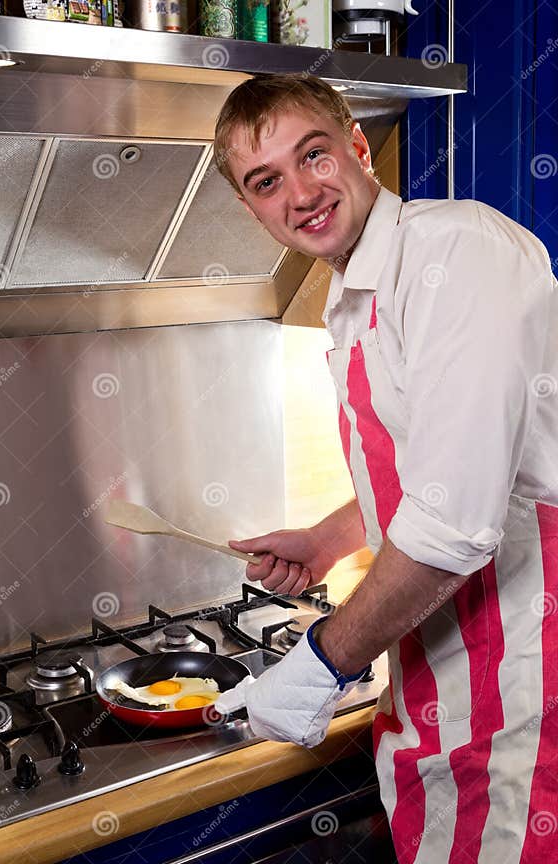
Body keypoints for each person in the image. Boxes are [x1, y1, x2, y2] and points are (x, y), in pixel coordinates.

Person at [213, 73, 558, 863]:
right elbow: (439, 459)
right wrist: (331, 538)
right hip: (442, 677)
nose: (300, 193)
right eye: (267, 181)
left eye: (315, 156)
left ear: (359, 148)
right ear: (250, 205)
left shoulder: (457, 253)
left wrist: (319, 664)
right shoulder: (351, 292)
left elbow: (453, 521)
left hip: (527, 685)